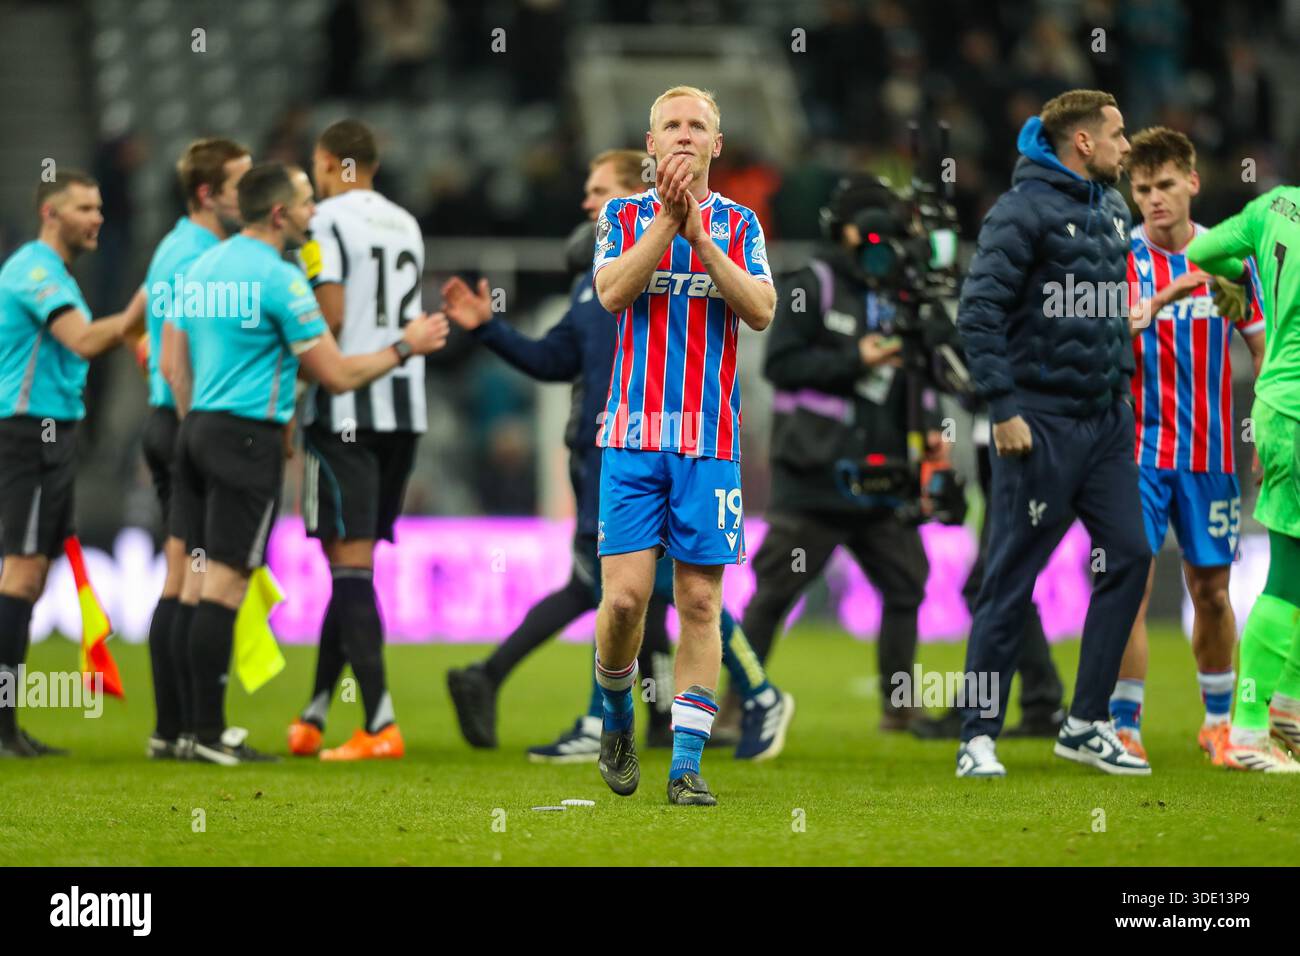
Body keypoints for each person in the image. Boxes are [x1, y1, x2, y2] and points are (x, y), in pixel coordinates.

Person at [443, 149, 791, 764]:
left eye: (598, 189)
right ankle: (664, 710)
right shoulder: (597, 279)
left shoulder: (679, 257)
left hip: (671, 445)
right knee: (633, 595)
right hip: (607, 452)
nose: (587, 201)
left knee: (667, 592)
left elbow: (753, 314)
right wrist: (487, 329)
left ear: (638, 187)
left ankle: (651, 712)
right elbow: (554, 361)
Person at [167, 162, 447, 765]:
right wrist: (407, 345)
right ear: (278, 214)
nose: (313, 213)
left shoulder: (201, 267)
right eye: (303, 203)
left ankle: (188, 730)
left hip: (194, 429)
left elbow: (173, 363)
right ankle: (210, 734)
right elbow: (339, 374)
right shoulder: (282, 279)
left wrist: (197, 421)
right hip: (248, 437)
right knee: (226, 582)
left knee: (196, 579)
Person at [954, 89, 1151, 777]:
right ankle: (978, 734)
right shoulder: (1020, 211)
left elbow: (1100, 308)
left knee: (1130, 553)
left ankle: (1086, 721)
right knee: (1010, 577)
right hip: (1037, 423)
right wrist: (1002, 407)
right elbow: (977, 313)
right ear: (1085, 143)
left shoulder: (1114, 209)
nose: (1129, 147)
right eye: (1119, 135)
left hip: (1104, 424)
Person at [590, 86, 776, 805]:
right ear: (652, 141)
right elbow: (611, 294)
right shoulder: (622, 216)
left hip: (710, 444)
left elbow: (760, 310)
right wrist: (668, 227)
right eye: (672, 124)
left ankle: (687, 765)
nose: (685, 135)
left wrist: (700, 237)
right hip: (632, 439)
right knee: (627, 603)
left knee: (699, 603)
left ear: (716, 145)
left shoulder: (740, 224)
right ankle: (614, 720)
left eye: (698, 125)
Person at [740, 174, 942, 732]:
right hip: (815, 472)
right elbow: (778, 365)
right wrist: (856, 360)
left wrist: (928, 427)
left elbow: (915, 374)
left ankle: (899, 709)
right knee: (775, 592)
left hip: (881, 474)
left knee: (906, 584)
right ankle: (733, 707)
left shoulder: (898, 289)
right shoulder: (814, 283)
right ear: (854, 230)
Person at [1112, 127, 1267, 766]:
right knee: (1129, 589)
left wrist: (1267, 422)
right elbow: (1093, 347)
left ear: (1192, 183)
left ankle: (1217, 723)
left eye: (1166, 185)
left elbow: (1262, 346)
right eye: (1142, 188)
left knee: (1211, 590)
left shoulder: (1228, 259)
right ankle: (1123, 726)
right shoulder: (1117, 259)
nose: (1153, 199)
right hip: (1137, 455)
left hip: (1210, 457)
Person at [283, 120, 429, 762]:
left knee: (347, 567)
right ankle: (317, 711)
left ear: (327, 162)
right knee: (355, 567)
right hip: (404, 408)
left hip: (344, 404)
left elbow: (334, 314)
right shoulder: (406, 223)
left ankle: (379, 721)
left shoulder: (324, 221)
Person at [0, 170, 145, 756]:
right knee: (20, 572)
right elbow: (84, 341)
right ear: (51, 213)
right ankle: (1, 729)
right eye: (86, 207)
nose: (98, 218)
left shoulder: (54, 273)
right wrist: (144, 304)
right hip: (26, 433)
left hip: (50, 434)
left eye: (101, 206)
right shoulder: (35, 271)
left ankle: (7, 727)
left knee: (30, 579)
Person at [141, 137, 252, 760]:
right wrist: (193, 429)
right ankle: (186, 728)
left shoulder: (177, 249)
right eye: (240, 182)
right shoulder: (200, 256)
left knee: (184, 573)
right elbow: (176, 355)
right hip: (187, 423)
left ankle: (175, 728)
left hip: (170, 419)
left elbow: (151, 337)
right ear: (209, 193)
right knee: (192, 579)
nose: (250, 193)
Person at [1186, 180, 1300, 772]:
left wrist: (1236, 279)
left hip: (1277, 406)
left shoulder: (1273, 206)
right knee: (1286, 578)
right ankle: (1255, 728)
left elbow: (1202, 254)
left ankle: (1283, 712)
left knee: (1292, 572)